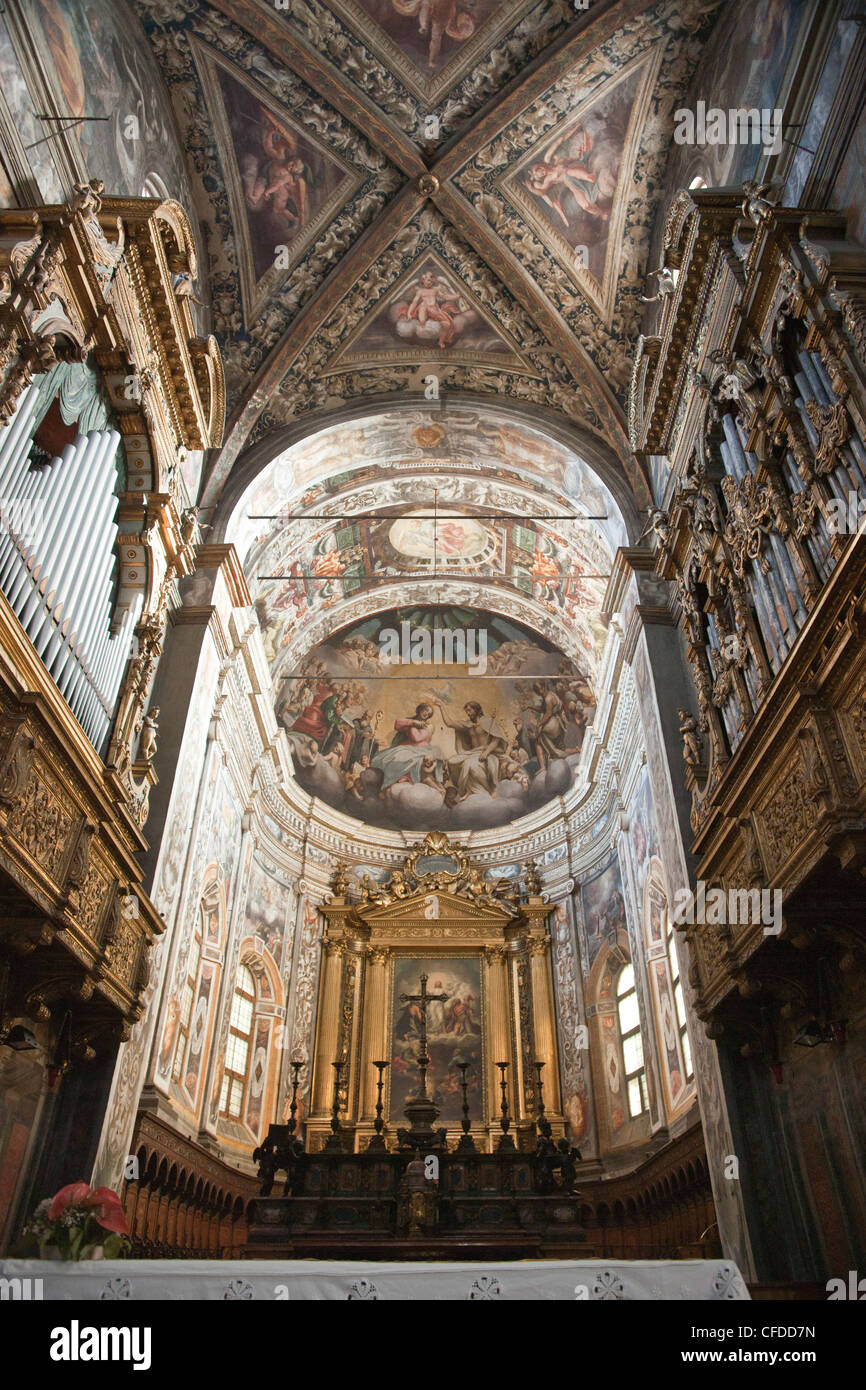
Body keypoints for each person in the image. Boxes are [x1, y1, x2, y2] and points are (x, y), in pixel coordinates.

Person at [432, 698, 508, 800]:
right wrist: (441, 706)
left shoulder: (488, 721)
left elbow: (496, 739)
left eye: (470, 710)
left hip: (487, 751)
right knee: (452, 761)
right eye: (466, 711)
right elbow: (449, 723)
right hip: (473, 752)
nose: (468, 713)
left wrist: (487, 752)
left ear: (477, 710)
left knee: (469, 764)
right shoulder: (468, 725)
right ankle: (469, 790)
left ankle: (490, 790)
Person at [370, 703, 445, 793]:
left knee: (410, 759)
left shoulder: (428, 725)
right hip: (407, 748)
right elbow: (397, 723)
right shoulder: (411, 721)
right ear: (420, 709)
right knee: (392, 759)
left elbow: (417, 738)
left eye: (428, 714)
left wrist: (412, 726)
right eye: (425, 710)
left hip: (421, 749)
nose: (426, 714)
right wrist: (413, 722)